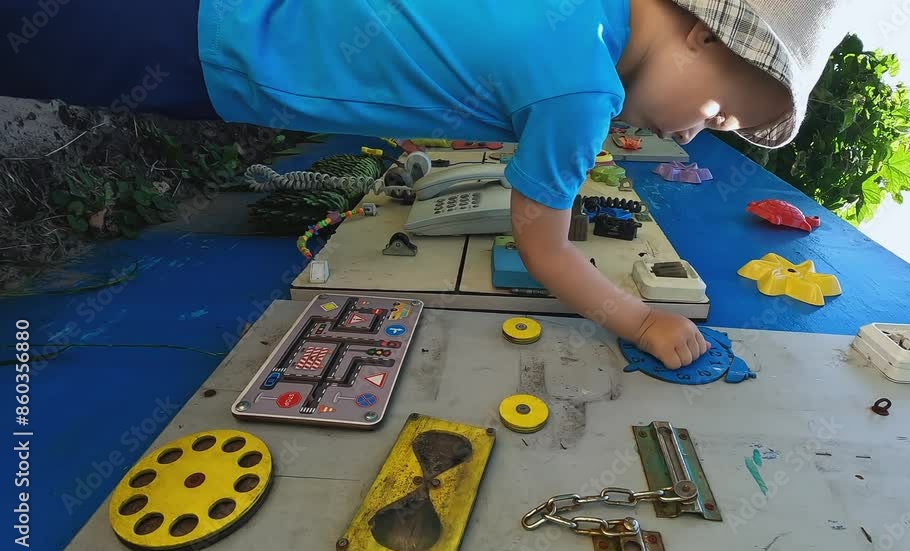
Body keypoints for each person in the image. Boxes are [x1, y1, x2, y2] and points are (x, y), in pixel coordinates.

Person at [2, 0, 854, 369]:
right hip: (220, 43)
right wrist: (639, 317)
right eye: (722, 114)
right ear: (708, 33)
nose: (695, 131)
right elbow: (542, 246)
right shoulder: (583, 92)